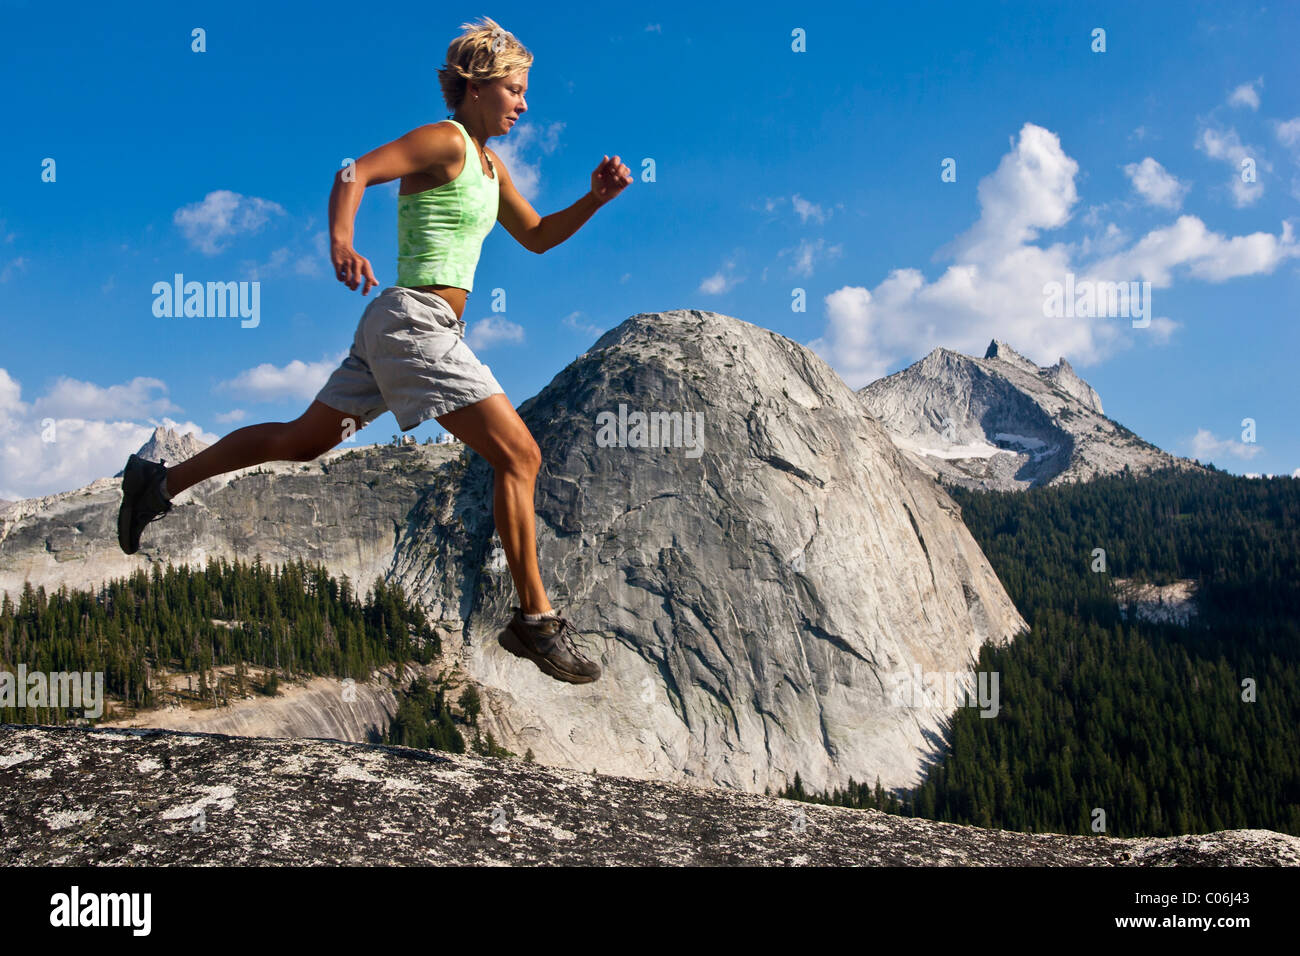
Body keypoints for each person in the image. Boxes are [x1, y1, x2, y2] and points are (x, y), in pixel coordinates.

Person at [117, 16, 632, 685]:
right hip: (414, 324)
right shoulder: (445, 141)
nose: (524, 103)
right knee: (520, 453)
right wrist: (340, 240)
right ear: (475, 86)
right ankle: (535, 619)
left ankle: (157, 483)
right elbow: (353, 170)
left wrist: (593, 200)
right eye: (514, 88)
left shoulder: (488, 166)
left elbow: (534, 235)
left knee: (301, 440)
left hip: (404, 330)